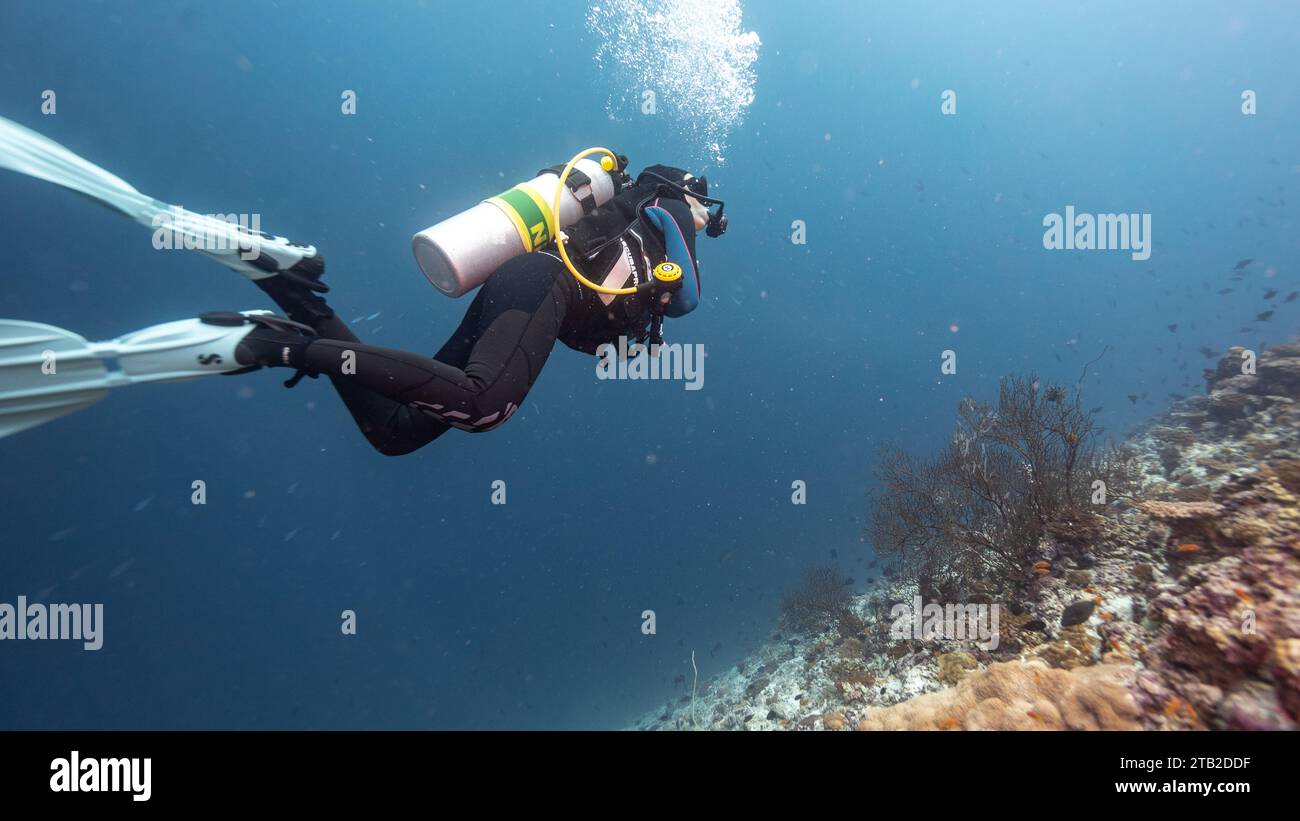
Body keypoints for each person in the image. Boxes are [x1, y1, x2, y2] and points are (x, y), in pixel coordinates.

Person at [233, 164, 715, 455]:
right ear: (685, 187)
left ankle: (296, 290)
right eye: (707, 203)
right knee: (483, 405)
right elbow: (688, 300)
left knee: (396, 431)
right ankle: (278, 347)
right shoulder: (668, 207)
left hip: (528, 285)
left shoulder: (637, 231)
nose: (709, 218)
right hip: (546, 282)